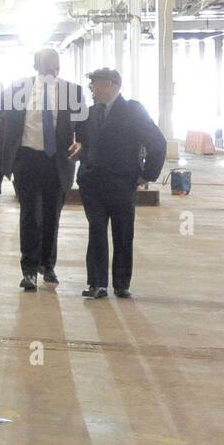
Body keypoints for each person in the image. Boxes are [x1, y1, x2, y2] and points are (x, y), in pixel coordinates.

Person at [73, 68, 167, 299]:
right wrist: (81, 156)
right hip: (92, 183)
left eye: (95, 84)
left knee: (123, 232)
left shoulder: (133, 110)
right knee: (96, 230)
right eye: (91, 85)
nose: (92, 89)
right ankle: (97, 283)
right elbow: (83, 144)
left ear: (111, 84)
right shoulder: (88, 113)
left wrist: (147, 175)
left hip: (121, 183)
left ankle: (121, 283)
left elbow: (158, 143)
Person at [0, 48, 83, 291]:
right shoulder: (19, 88)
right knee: (30, 216)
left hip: (58, 162)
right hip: (27, 160)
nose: (53, 72)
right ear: (36, 66)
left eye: (57, 68)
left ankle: (48, 265)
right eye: (48, 68)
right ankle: (28, 271)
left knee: (51, 217)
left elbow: (85, 124)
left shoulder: (72, 92)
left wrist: (83, 143)